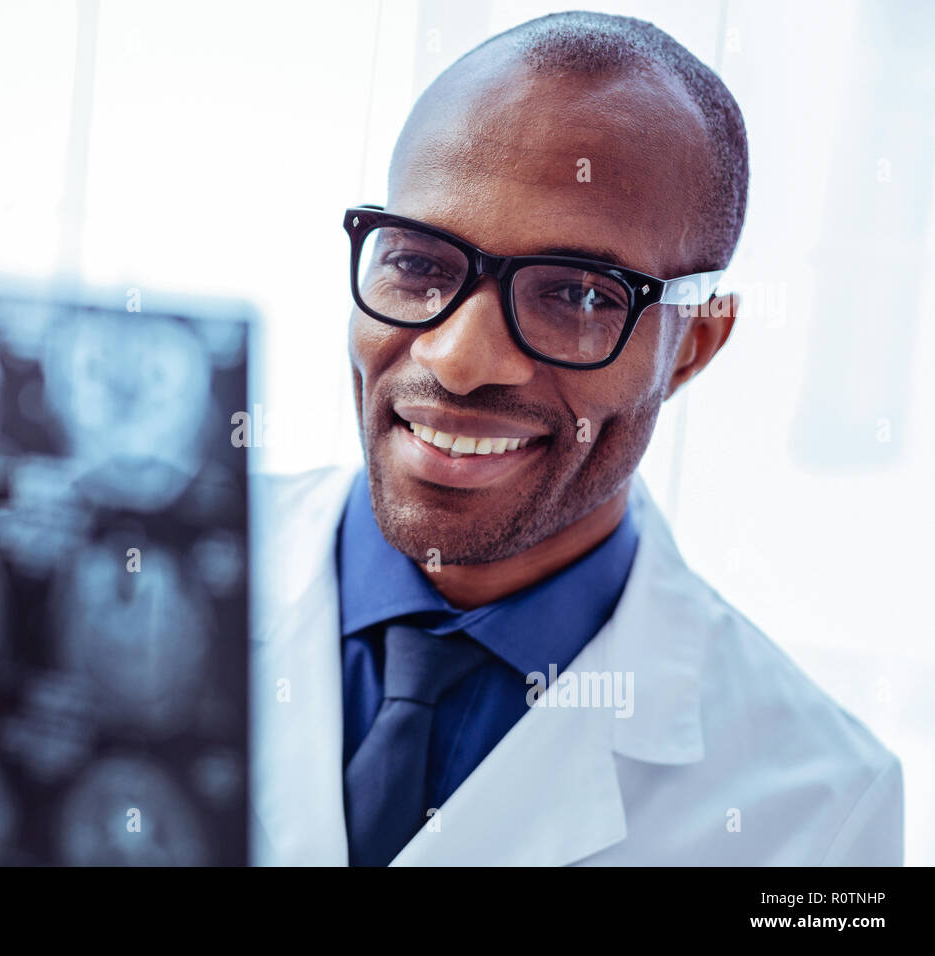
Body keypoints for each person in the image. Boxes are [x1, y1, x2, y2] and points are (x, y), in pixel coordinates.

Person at [249, 10, 903, 866]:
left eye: (578, 295)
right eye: (418, 262)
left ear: (693, 345)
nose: (459, 359)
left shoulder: (823, 812)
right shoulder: (106, 574)